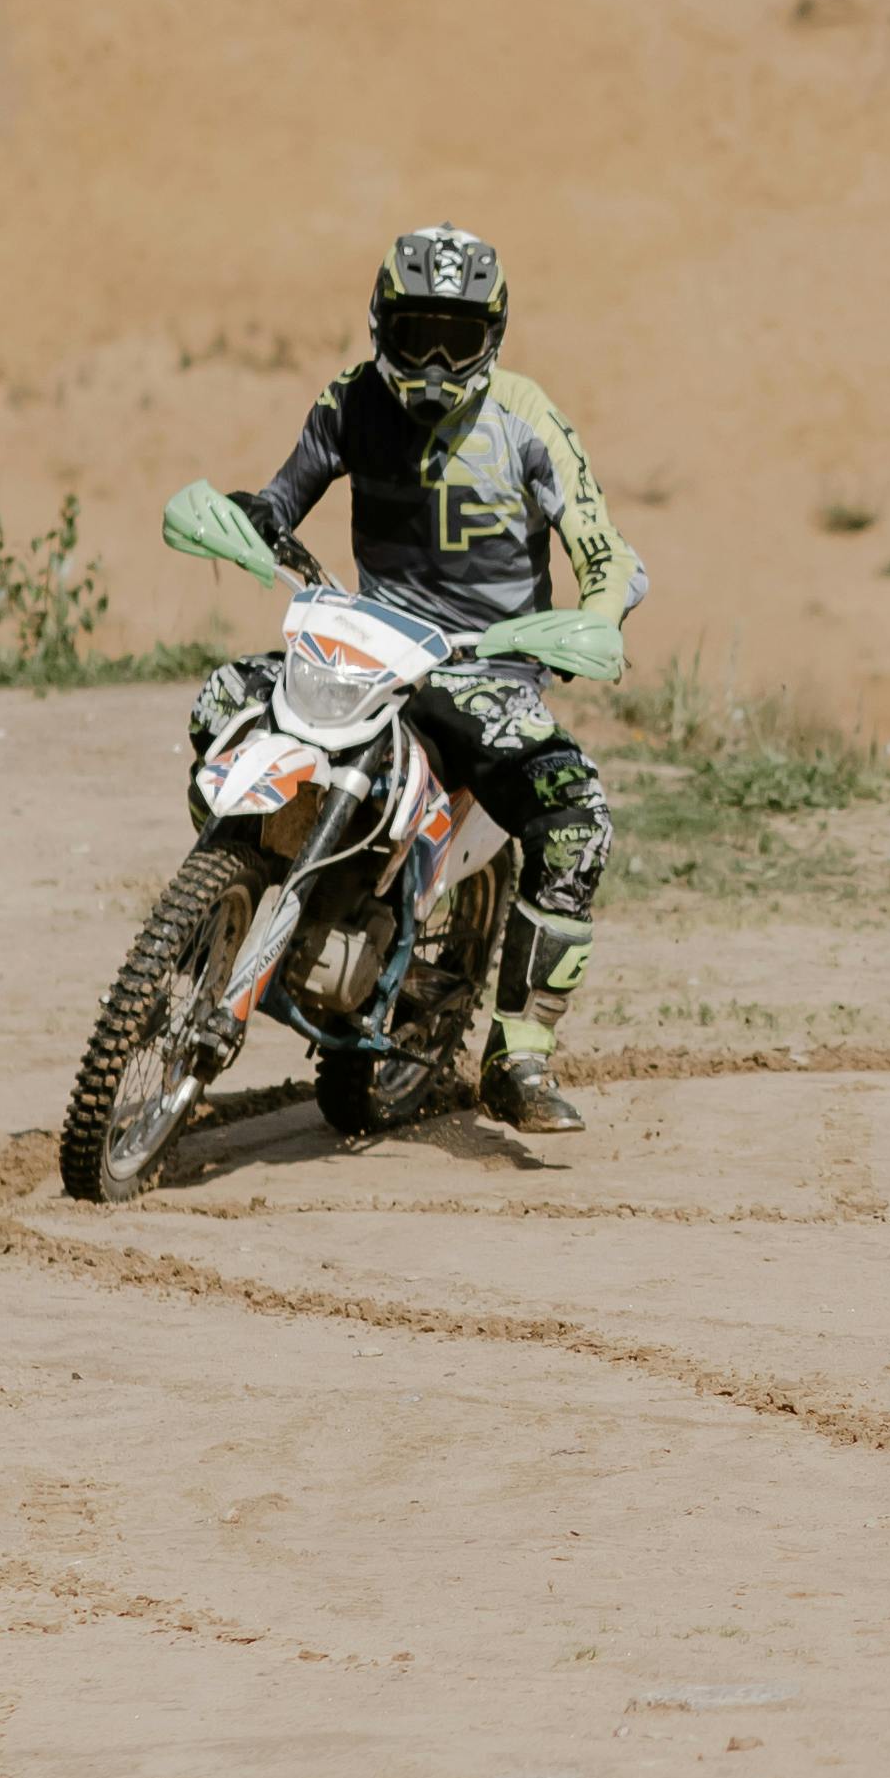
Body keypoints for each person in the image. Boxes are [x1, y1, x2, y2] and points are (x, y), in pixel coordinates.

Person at [231, 224, 639, 1136]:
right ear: (382, 326)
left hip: (485, 665)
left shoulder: (527, 418)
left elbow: (606, 553)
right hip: (369, 646)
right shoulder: (351, 400)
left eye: (457, 339)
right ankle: (234, 892)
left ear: (493, 335)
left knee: (576, 817)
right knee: (224, 700)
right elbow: (283, 495)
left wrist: (598, 620)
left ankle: (518, 1054)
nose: (435, 360)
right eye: (417, 335)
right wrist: (252, 518)